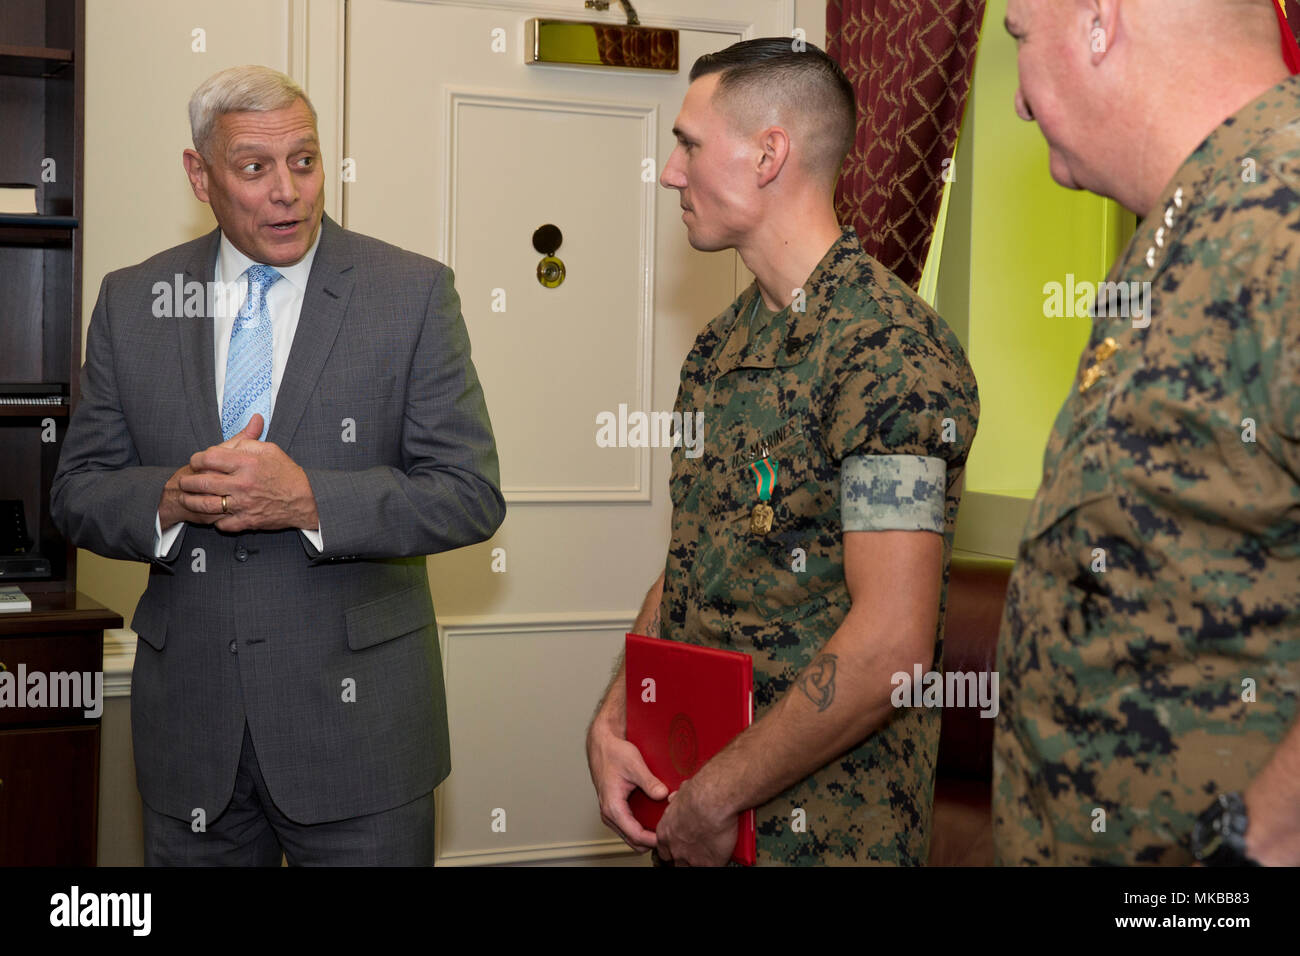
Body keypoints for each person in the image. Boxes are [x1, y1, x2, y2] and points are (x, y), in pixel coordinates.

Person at [50, 65, 505, 865]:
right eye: (255, 168)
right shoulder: (133, 300)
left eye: (306, 160)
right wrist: (167, 498)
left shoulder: (412, 293)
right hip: (192, 737)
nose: (288, 191)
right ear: (200, 175)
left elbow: (468, 495)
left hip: (361, 741)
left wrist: (309, 502)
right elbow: (78, 493)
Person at [585, 38, 979, 866]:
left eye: (689, 144)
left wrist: (718, 794)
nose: (668, 172)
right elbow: (696, 553)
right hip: (699, 805)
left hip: (826, 831)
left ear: (769, 153)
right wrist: (622, 708)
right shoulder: (721, 347)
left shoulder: (888, 351)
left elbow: (891, 645)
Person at [995, 0, 1300, 866]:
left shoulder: (1283, 213)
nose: (1016, 100)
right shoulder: (1184, 227)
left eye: (1020, 37)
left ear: (1099, 20)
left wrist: (1259, 848)